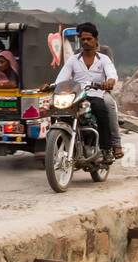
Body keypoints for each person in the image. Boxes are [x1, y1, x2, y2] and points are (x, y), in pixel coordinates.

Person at [50, 22, 122, 159]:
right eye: (83, 39)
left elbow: (112, 74)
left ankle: (109, 147)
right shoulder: (73, 59)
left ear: (96, 40)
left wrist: (110, 82)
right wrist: (51, 85)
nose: (86, 42)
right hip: (77, 95)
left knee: (103, 108)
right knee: (56, 109)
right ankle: (57, 141)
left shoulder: (104, 58)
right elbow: (61, 78)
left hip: (97, 93)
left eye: (89, 39)